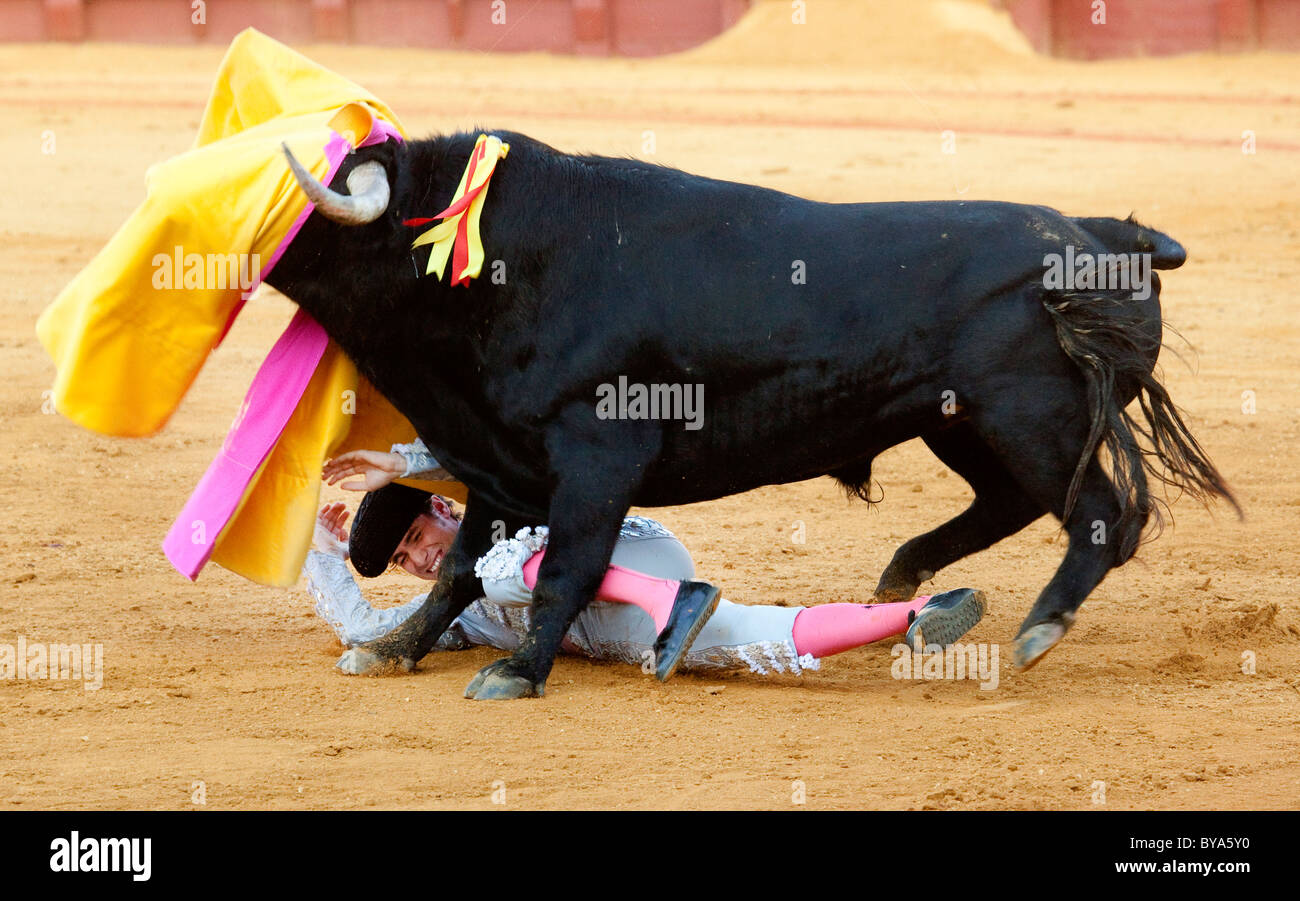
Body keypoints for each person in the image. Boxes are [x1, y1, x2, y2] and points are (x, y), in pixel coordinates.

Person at [302, 439, 988, 683]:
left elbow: (501, 447)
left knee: (495, 566)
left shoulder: (495, 493)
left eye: (415, 537)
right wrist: (320, 552)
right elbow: (367, 634)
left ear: (443, 509)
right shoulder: (467, 618)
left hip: (631, 552)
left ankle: (668, 601)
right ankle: (914, 614)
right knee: (752, 640)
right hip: (620, 624)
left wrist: (410, 463)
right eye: (402, 559)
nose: (420, 561)